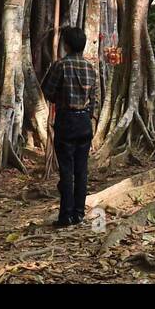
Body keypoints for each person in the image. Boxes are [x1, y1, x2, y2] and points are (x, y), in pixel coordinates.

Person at [40, 27, 101, 228]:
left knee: (66, 170)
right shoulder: (90, 68)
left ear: (66, 45)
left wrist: (61, 98)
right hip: (84, 122)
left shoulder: (61, 66)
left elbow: (47, 91)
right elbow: (94, 99)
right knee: (81, 170)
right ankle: (79, 213)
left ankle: (65, 215)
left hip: (66, 120)